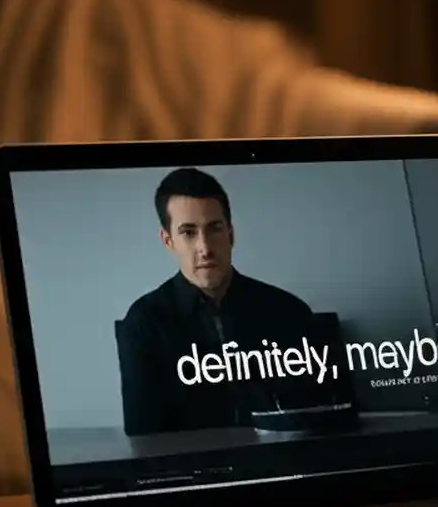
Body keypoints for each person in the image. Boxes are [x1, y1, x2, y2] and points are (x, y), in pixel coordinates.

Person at [117, 168, 321, 436]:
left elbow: (316, 418)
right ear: (168, 241)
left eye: (214, 229)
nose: (205, 247)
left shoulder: (288, 311)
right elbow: (145, 436)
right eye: (188, 232)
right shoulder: (143, 323)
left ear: (231, 234)